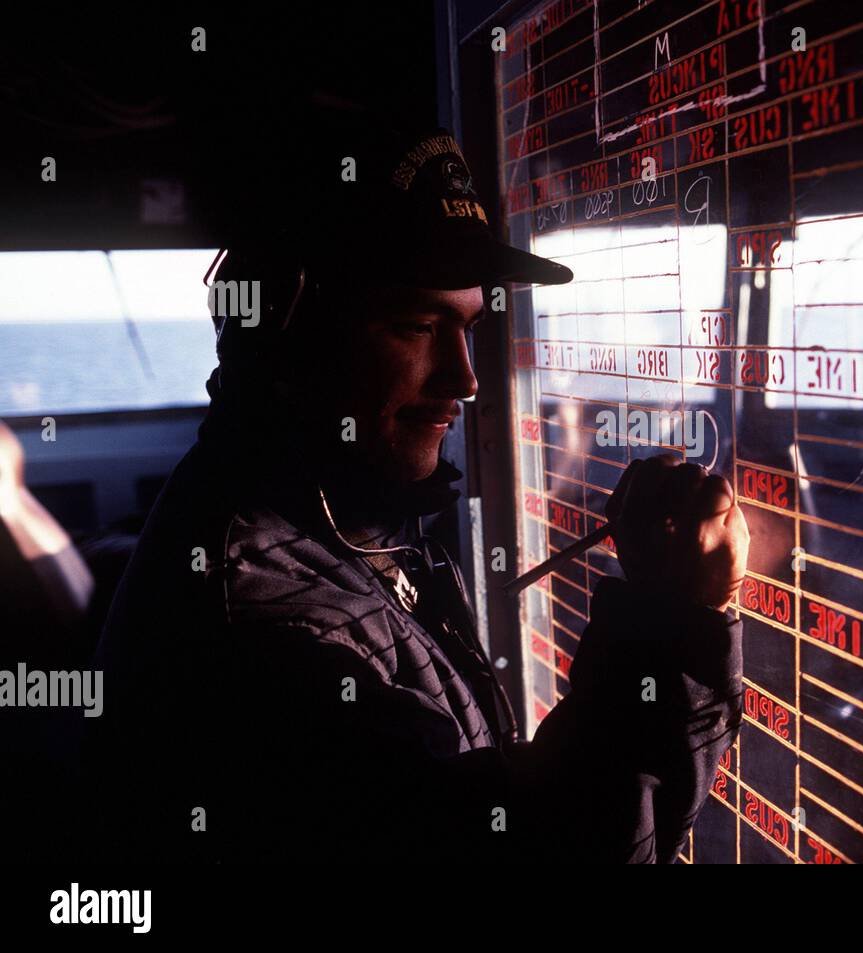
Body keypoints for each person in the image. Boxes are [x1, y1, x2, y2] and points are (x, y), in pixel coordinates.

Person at [85, 126, 750, 863]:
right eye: (415, 325)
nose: (463, 378)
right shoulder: (270, 619)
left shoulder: (335, 509)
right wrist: (677, 625)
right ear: (285, 337)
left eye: (465, 327)